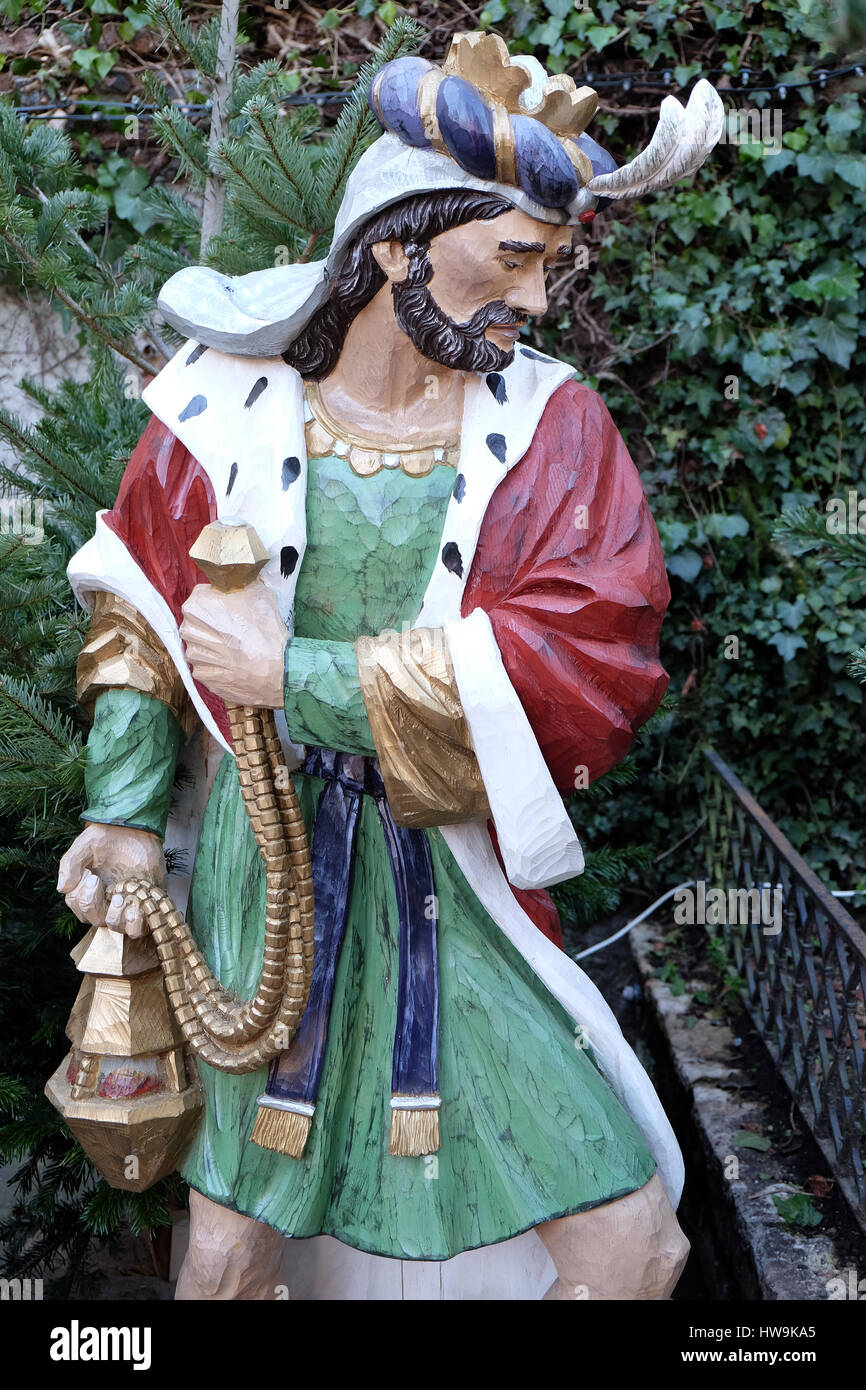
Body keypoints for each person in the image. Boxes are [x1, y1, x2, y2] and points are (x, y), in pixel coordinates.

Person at [58, 33, 723, 1299]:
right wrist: (123, 811)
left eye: (551, 265)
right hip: (270, 896)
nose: (534, 301)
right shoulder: (219, 402)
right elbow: (137, 609)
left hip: (457, 897)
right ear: (392, 245)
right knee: (229, 1258)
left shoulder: (554, 428)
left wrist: (295, 673)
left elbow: (587, 656)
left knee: (634, 1250)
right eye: (513, 259)